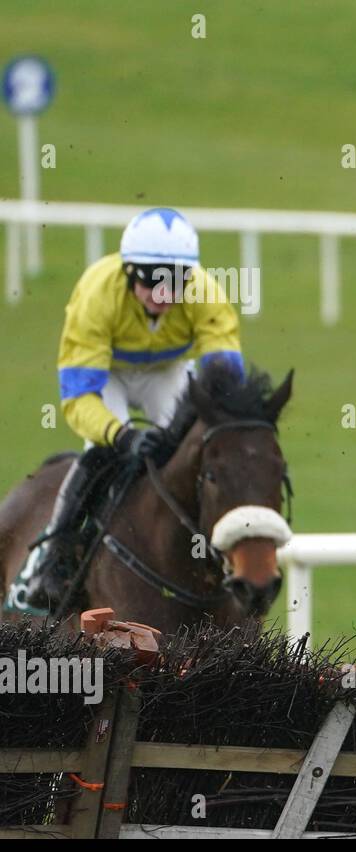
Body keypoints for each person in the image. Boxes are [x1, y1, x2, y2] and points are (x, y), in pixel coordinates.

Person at [6, 207, 245, 614]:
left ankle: (219, 555)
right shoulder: (97, 292)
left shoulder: (205, 292)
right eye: (151, 279)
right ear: (128, 271)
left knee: (190, 452)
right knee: (103, 454)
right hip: (108, 374)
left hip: (166, 371)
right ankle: (52, 560)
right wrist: (121, 434)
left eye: (175, 281)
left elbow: (224, 375)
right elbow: (80, 398)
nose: (163, 292)